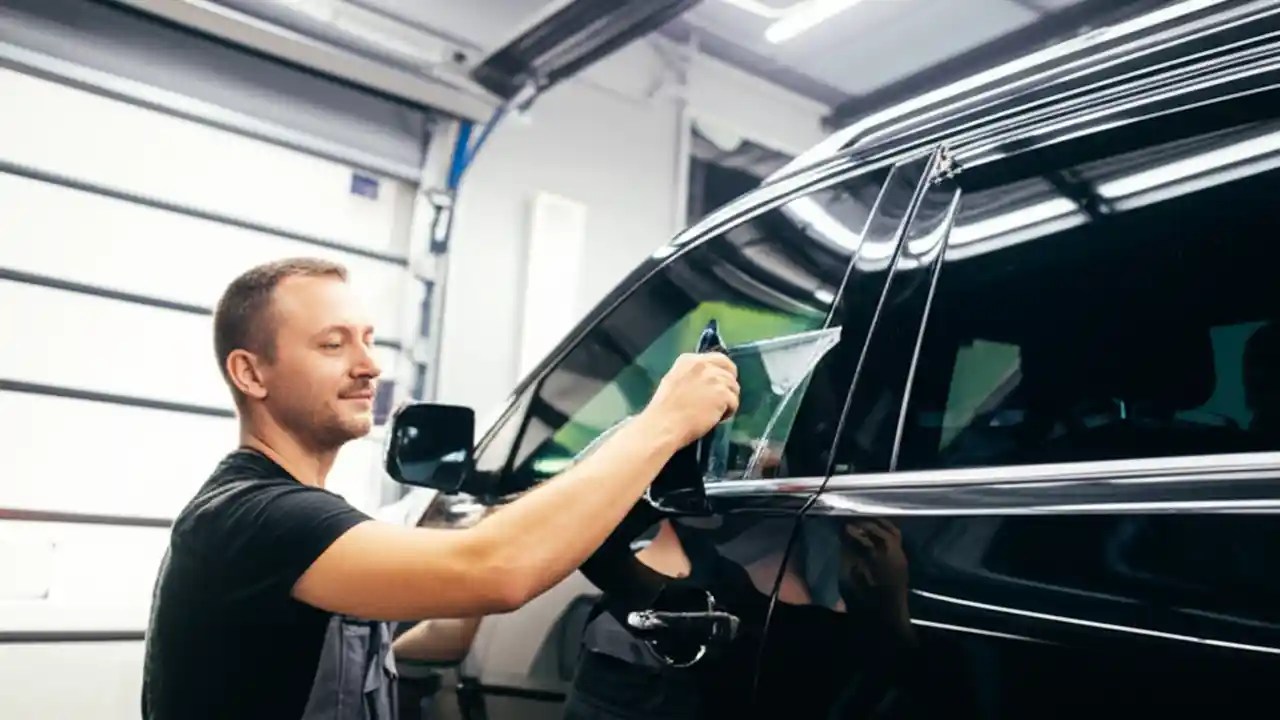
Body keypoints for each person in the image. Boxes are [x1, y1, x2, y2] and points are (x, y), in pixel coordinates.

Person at [140, 257, 739, 720]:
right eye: (332, 344)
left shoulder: (302, 518)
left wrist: (597, 484)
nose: (369, 365)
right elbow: (495, 570)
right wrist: (663, 424)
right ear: (250, 372)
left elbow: (439, 626)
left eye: (368, 339)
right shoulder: (253, 517)